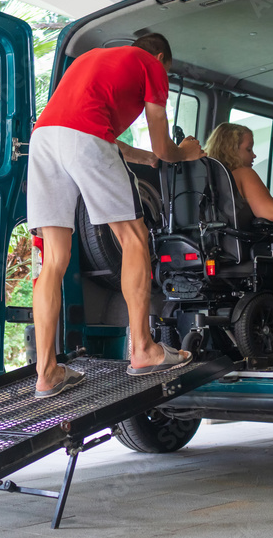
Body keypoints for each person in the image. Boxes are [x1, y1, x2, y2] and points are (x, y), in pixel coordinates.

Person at [28, 33, 206, 399]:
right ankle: (143, 349)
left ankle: (46, 373)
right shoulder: (152, 64)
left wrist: (143, 159)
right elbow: (164, 148)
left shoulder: (90, 59)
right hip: (84, 137)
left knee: (55, 259)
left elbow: (79, 128)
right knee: (133, 238)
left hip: (43, 140)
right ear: (160, 56)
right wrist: (187, 152)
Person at [203, 122, 273, 230]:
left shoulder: (207, 178)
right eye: (248, 149)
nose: (254, 155)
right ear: (231, 151)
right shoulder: (243, 173)